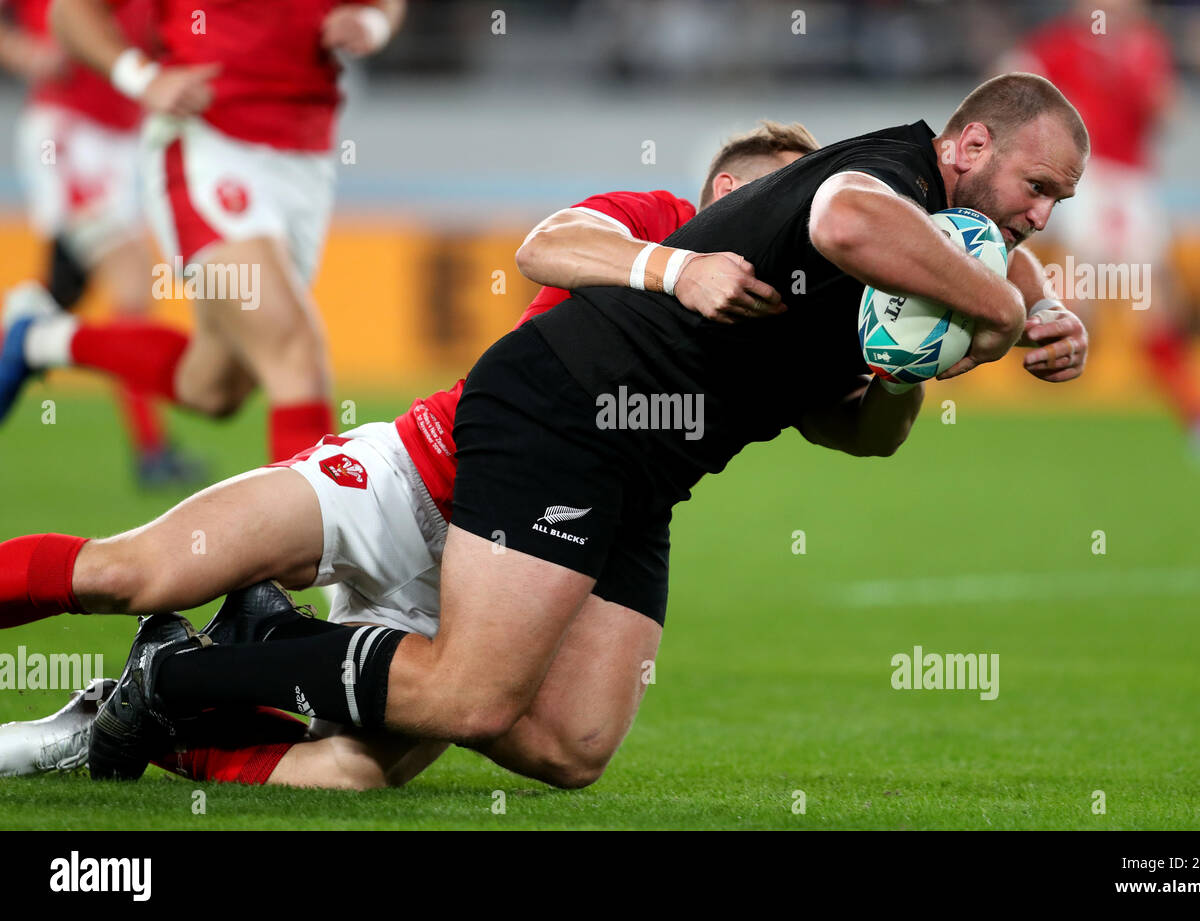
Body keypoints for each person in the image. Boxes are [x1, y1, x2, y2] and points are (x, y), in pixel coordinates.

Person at [80, 74, 1092, 787]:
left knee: (570, 748)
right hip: (569, 406)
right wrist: (1007, 314)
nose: (1042, 215)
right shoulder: (887, 177)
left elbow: (865, 436)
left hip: (648, 473)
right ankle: (178, 675)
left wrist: (913, 370)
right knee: (470, 699)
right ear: (966, 148)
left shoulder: (937, 262)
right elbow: (842, 220)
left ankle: (275, 644)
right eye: (1036, 188)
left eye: (1059, 202)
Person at [0, 122, 829, 788]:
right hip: (414, 474)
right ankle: (217, 654)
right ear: (731, 191)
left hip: (529, 566)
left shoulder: (788, 313)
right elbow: (545, 244)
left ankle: (128, 715)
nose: (808, 224)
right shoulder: (656, 218)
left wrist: (910, 358)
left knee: (359, 769)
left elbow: (852, 427)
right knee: (135, 575)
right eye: (794, 193)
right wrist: (676, 269)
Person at [0, 0, 405, 463]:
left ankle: (39, 338)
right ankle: (314, 532)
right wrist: (143, 77)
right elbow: (70, 14)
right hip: (209, 148)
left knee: (215, 386)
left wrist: (375, 21)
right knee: (294, 351)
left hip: (306, 161)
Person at [1003, 0, 1200, 462]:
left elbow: (1167, 109)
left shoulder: (1142, 46)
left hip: (1133, 184)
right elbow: (1009, 80)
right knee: (1125, 297)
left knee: (1130, 299)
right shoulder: (1064, 45)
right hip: (1102, 183)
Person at [0, 0, 202, 485]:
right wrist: (21, 50)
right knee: (132, 281)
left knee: (57, 295)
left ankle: (152, 450)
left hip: (123, 143)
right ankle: (152, 452)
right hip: (69, 132)